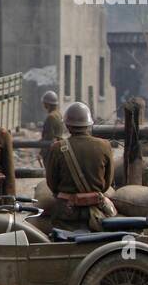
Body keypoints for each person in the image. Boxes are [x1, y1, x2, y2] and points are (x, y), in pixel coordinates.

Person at [45, 101, 115, 232]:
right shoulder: (104, 145)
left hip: (66, 213)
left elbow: (52, 184)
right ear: (89, 124)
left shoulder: (57, 148)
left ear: (67, 125)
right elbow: (107, 184)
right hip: (95, 211)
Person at [39, 90, 65, 170]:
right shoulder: (59, 115)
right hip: (58, 148)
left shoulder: (51, 117)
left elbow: (48, 137)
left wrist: (41, 153)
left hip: (50, 151)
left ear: (47, 104)